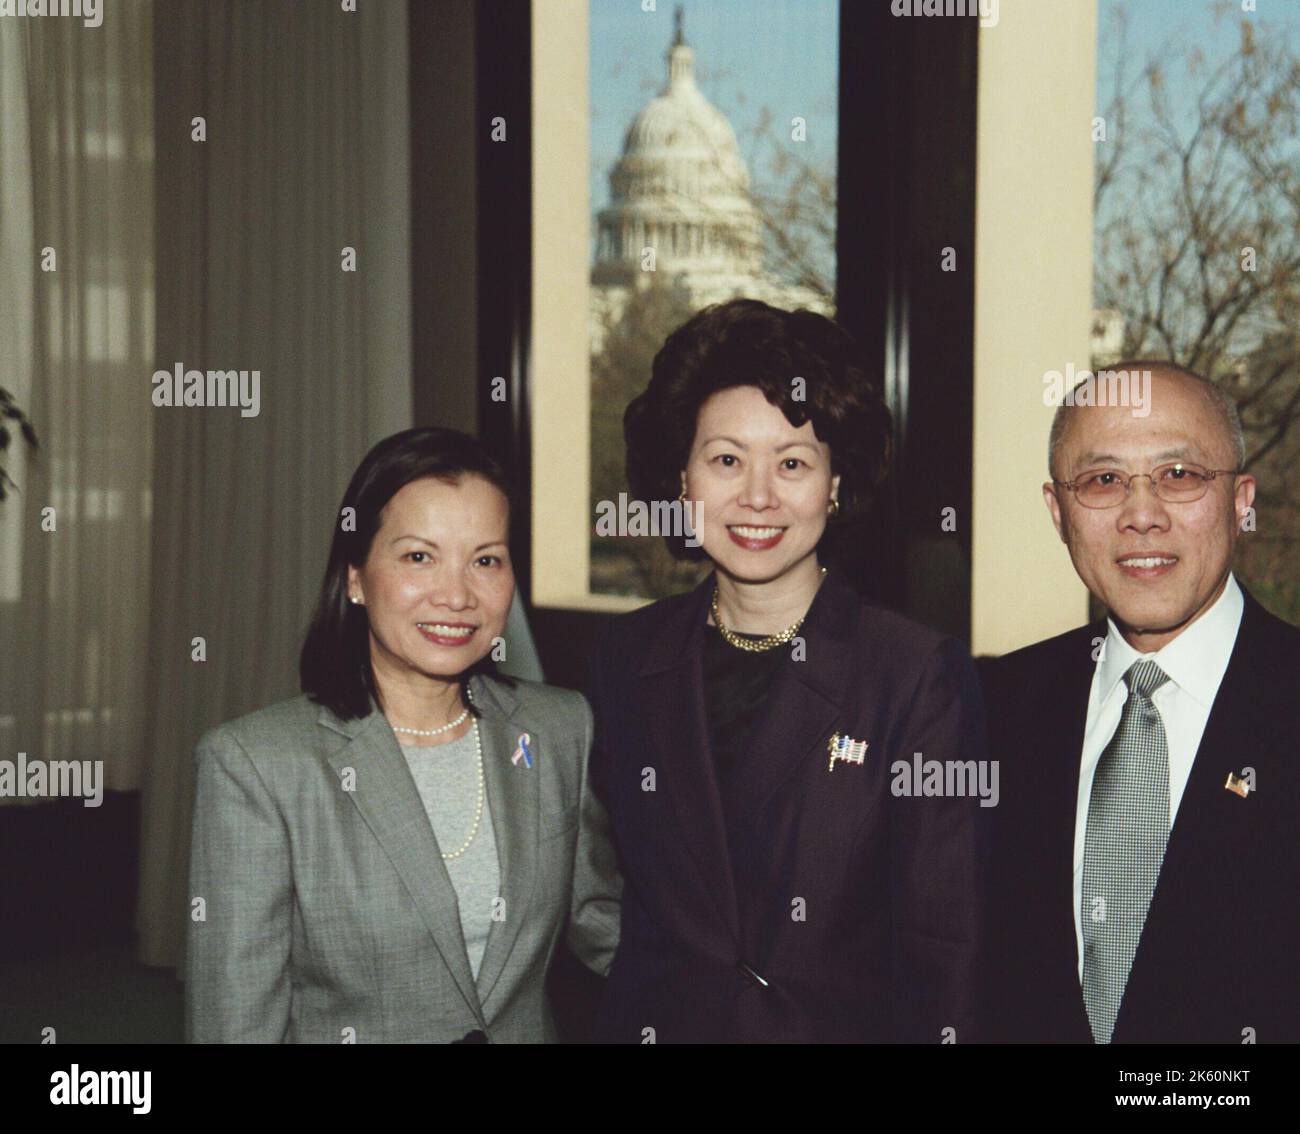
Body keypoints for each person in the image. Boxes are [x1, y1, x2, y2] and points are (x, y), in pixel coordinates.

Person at [588, 298, 986, 1043]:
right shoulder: (626, 660)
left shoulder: (912, 677)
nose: (758, 496)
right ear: (683, 481)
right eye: (727, 460)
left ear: (835, 486)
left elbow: (945, 949)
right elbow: (606, 903)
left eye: (794, 463)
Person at [186, 427, 621, 1042]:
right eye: (419, 556)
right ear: (357, 576)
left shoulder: (557, 730)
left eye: (486, 560)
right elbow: (236, 1021)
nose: (456, 594)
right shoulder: (256, 765)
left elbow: (605, 927)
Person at [981, 361, 1300, 1043]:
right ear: (1057, 512)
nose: (1143, 515)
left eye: (1180, 476)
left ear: (1242, 501)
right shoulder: (988, 712)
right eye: (1103, 481)